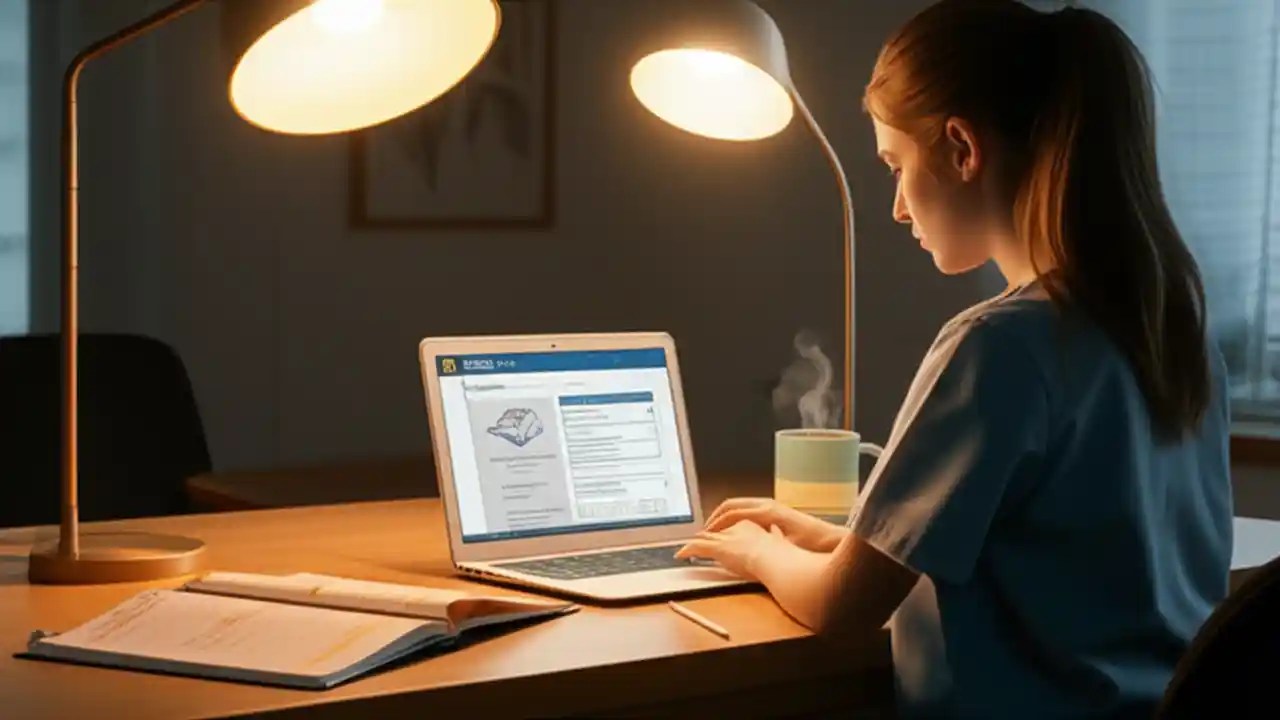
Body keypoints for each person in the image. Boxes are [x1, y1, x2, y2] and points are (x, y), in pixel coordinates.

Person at [675, 1, 1234, 717]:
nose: (898, 209)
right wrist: (834, 537)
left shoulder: (997, 347)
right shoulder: (1177, 334)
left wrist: (754, 553)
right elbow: (1052, 561)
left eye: (894, 165)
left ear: (962, 149)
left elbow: (840, 605)